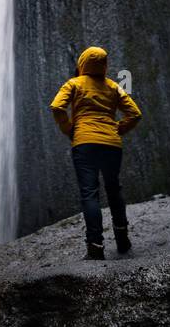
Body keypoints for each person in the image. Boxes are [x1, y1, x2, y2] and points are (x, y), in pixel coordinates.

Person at [50, 46, 142, 260]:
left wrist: (69, 129)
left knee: (89, 193)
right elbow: (135, 114)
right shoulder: (113, 87)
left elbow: (57, 107)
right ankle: (122, 239)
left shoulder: (74, 83)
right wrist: (118, 129)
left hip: (84, 143)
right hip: (112, 144)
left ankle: (95, 247)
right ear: (104, 65)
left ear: (82, 64)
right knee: (114, 189)